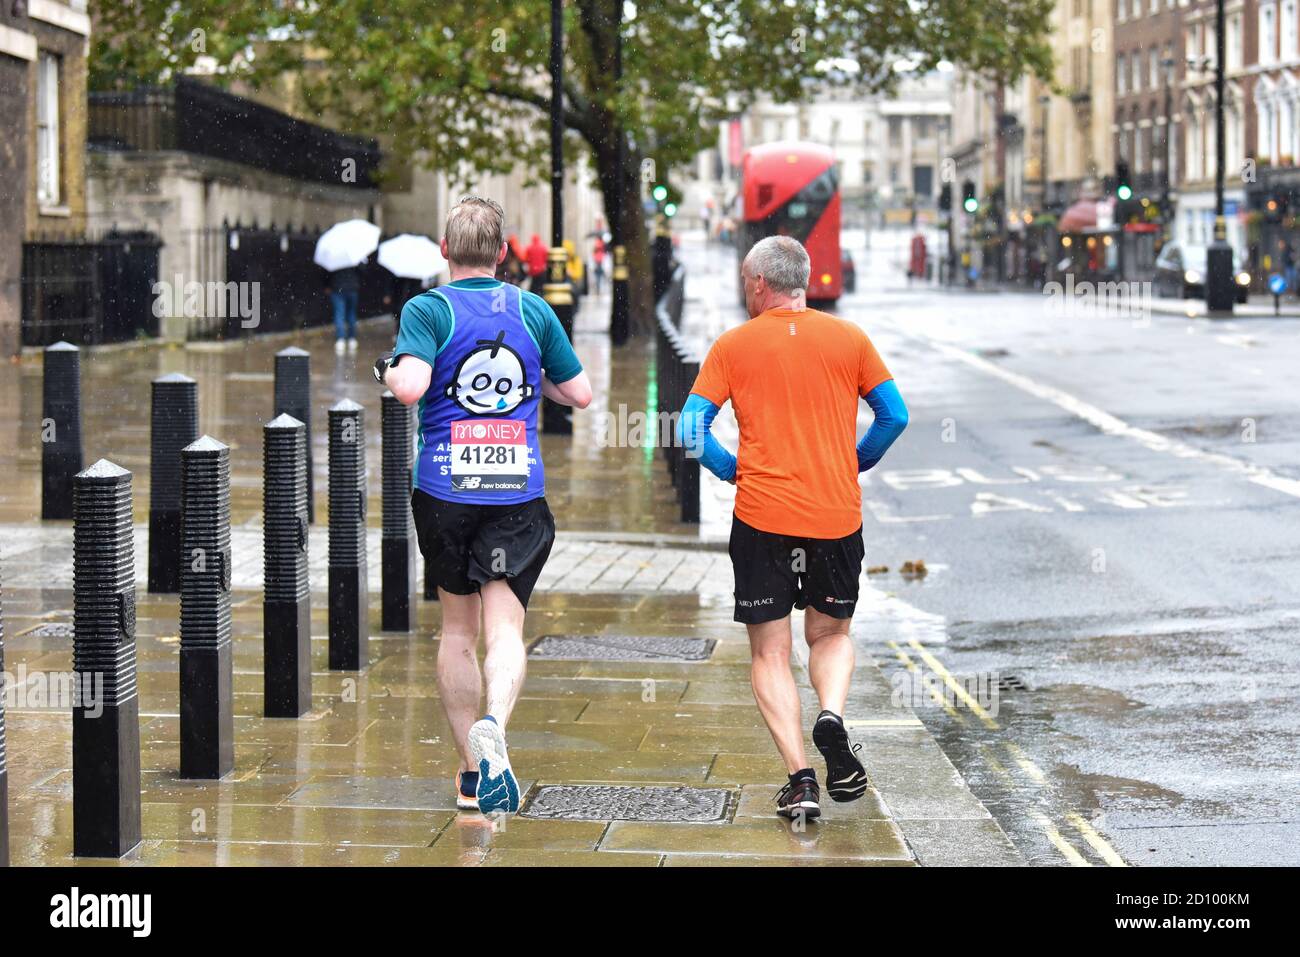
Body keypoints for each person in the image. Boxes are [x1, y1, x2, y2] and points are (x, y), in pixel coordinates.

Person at [677, 235, 908, 821]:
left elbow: (690, 429)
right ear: (802, 280)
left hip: (762, 519)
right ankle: (831, 712)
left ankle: (801, 778)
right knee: (830, 635)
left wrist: (733, 470)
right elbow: (895, 416)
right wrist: (853, 460)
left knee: (770, 652)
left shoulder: (733, 346)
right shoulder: (849, 339)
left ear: (758, 283)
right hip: (835, 516)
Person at [375, 197, 593, 814]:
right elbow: (579, 393)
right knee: (505, 627)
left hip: (444, 490)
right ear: (502, 254)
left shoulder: (428, 308)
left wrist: (390, 370)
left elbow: (412, 387)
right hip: (514, 493)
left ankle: (473, 775)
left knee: (457, 630)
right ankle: (494, 723)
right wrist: (533, 379)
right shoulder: (533, 309)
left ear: (445, 252)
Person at [326, 264, 361, 354]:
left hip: (337, 288)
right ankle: (352, 338)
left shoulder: (333, 258)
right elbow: (361, 271)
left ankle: (341, 339)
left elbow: (326, 273)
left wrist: (328, 284)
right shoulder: (354, 259)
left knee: (339, 314)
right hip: (352, 288)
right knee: (351, 314)